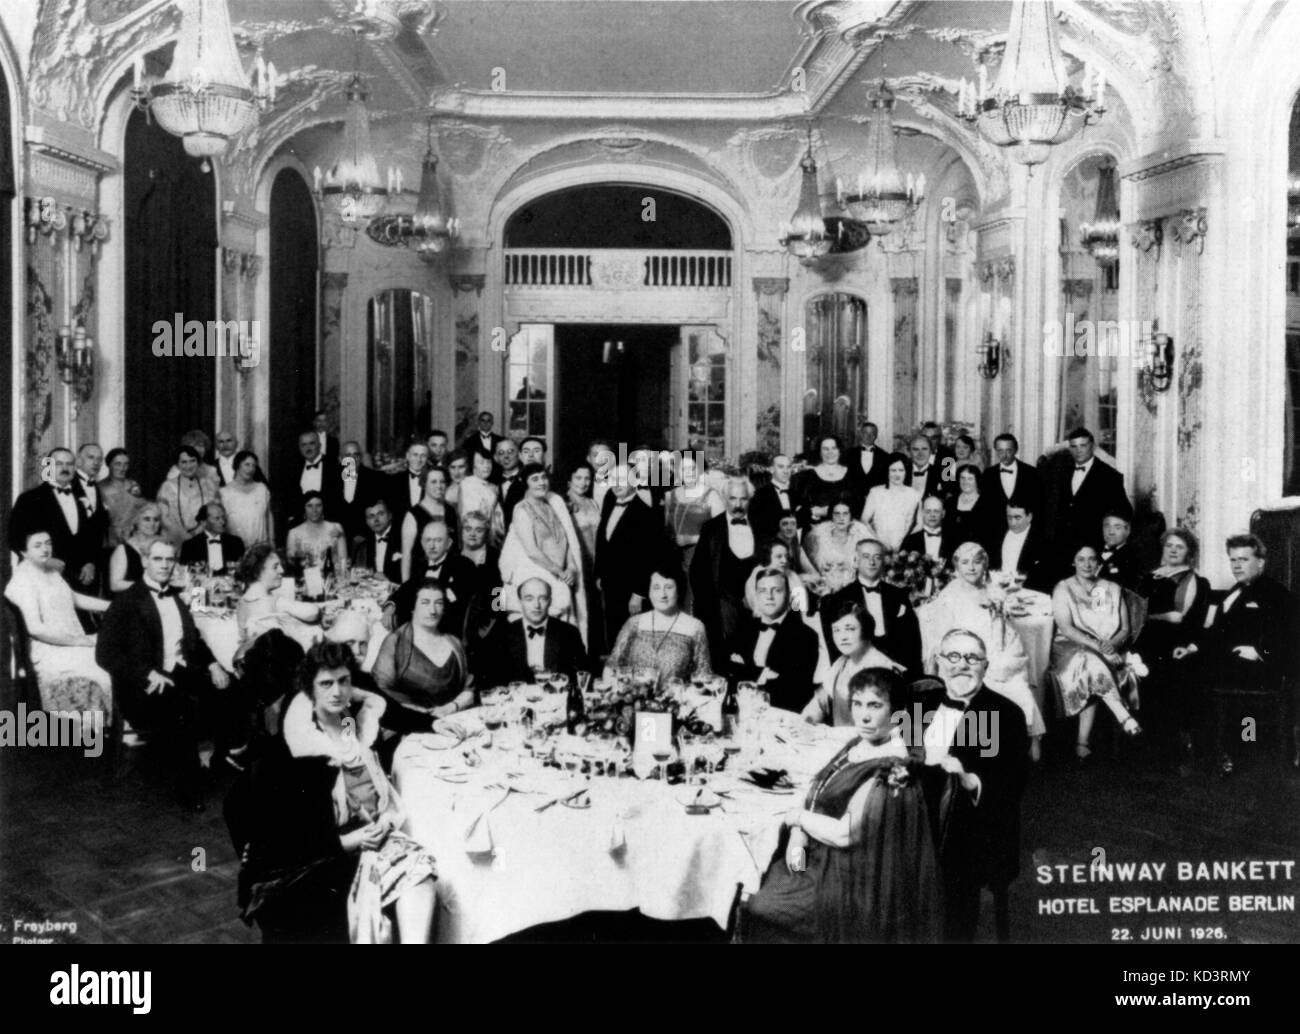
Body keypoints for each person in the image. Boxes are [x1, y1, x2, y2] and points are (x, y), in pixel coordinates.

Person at [234, 641, 437, 944]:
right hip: (314, 861)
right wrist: (346, 841)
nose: (337, 692)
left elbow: (397, 716)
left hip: (363, 840)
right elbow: (278, 837)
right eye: (326, 684)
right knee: (410, 866)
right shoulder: (293, 749)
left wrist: (438, 724)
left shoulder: (351, 724)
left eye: (344, 681)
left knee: (422, 868)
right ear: (310, 690)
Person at [744, 666, 940, 943]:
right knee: (760, 872)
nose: (864, 714)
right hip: (816, 851)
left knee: (759, 905)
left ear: (897, 714)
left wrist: (797, 820)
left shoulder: (891, 764)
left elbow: (848, 832)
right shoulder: (859, 743)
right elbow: (817, 787)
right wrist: (798, 832)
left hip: (854, 873)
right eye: (857, 704)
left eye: (875, 705)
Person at [96, 539, 232, 810]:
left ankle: (218, 766)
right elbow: (105, 654)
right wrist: (146, 673)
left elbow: (195, 640)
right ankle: (188, 789)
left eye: (169, 560)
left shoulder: (177, 598)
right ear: (145, 561)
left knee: (230, 689)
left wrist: (214, 664)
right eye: (157, 559)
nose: (164, 565)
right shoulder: (126, 602)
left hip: (178, 672)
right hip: (141, 686)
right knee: (184, 706)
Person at [916, 630, 1029, 942]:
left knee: (954, 871)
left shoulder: (1007, 714)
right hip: (919, 821)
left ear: (986, 666)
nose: (961, 665)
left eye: (972, 658)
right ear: (938, 662)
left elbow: (1012, 785)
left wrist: (967, 779)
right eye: (952, 656)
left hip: (975, 829)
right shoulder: (921, 705)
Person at [1173, 534, 1296, 775]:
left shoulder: (1276, 594)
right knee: (1184, 668)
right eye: (1232, 560)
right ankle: (1202, 747)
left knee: (1217, 687)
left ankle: (1241, 748)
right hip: (1230, 661)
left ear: (1260, 562)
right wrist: (1193, 647)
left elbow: (1288, 637)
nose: (1236, 565)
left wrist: (1260, 652)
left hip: (1263, 668)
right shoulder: (1235, 591)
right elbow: (1218, 632)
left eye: (1243, 559)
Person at [921, 542, 1046, 754]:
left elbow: (1005, 632)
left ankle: (1023, 751)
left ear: (985, 565)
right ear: (956, 567)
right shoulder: (949, 597)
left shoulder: (994, 592)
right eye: (965, 562)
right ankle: (986, 750)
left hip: (996, 657)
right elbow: (945, 640)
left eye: (977, 562)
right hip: (965, 660)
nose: (971, 568)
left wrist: (1006, 660)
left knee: (1020, 690)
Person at [5, 529, 113, 724]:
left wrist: (113, 606)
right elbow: (36, 629)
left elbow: (74, 598)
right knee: (103, 670)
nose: (45, 549)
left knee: (115, 658)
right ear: (23, 551)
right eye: (37, 545)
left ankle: (117, 731)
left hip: (69, 641)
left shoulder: (48, 570)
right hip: (49, 650)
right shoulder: (23, 580)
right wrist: (79, 641)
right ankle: (96, 735)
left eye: (48, 543)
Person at [1050, 544, 1142, 759]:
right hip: (1068, 647)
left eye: (1092, 559)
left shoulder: (1107, 588)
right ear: (1073, 562)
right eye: (1081, 559)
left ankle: (1082, 742)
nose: (1087, 564)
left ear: (1099, 563)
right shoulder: (1063, 588)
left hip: (1102, 651)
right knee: (1088, 659)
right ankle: (1122, 716)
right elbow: (1066, 628)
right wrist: (1101, 647)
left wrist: (1111, 645)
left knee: (1090, 665)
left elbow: (1123, 629)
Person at [1134, 529, 1209, 771]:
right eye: (1169, 546)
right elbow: (1131, 609)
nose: (1173, 550)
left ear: (1189, 553)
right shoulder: (1146, 577)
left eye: (1180, 547)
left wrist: (1147, 616)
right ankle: (1143, 746)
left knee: (1167, 676)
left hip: (1174, 642)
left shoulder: (1193, 580)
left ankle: (1172, 750)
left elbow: (1181, 617)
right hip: (1143, 640)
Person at [498, 464, 587, 639]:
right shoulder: (521, 509)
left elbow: (565, 540)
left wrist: (571, 567)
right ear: (525, 483)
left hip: (558, 576)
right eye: (535, 479)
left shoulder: (552, 504)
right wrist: (559, 572)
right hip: (535, 576)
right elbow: (532, 551)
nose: (541, 482)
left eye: (544, 477)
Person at [373, 581, 474, 726]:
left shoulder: (454, 643)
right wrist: (423, 718)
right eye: (425, 603)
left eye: (438, 603)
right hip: (411, 726)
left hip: (455, 721)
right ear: (413, 607)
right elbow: (382, 692)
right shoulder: (395, 642)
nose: (433, 610)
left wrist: (450, 708)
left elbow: (469, 689)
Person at [11, 447, 108, 592]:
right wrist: (44, 560)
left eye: (69, 464)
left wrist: (90, 563)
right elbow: (15, 538)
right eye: (59, 464)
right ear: (48, 466)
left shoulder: (82, 498)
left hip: (77, 580)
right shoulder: (30, 498)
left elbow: (91, 536)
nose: (65, 468)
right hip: (42, 577)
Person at [820, 538, 921, 674]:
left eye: (877, 557)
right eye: (866, 557)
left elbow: (913, 640)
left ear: (883, 562)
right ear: (856, 561)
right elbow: (835, 648)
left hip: (896, 669)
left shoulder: (899, 595)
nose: (872, 562)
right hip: (857, 669)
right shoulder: (839, 598)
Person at [729, 567, 819, 713]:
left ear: (789, 595)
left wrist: (745, 672)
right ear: (756, 595)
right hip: (743, 714)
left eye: (776, 590)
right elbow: (726, 671)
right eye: (763, 591)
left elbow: (794, 690)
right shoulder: (743, 630)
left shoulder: (806, 636)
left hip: (784, 719)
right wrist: (763, 674)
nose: (769, 596)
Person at [690, 477, 759, 663]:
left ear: (750, 499)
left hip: (756, 612)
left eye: (743, 499)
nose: (738, 504)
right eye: (733, 498)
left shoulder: (761, 526)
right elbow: (697, 574)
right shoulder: (711, 529)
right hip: (720, 614)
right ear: (724, 498)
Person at [803, 600, 906, 726]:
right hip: (841, 739)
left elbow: (882, 725)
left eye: (850, 629)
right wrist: (805, 723)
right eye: (836, 630)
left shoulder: (883, 668)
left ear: (865, 630)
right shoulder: (841, 664)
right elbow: (818, 705)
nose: (842, 637)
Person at [605, 566, 711, 687]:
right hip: (635, 701)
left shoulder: (694, 627)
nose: (662, 594)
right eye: (656, 587)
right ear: (649, 591)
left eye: (669, 587)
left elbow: (703, 676)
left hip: (676, 702)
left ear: (679, 590)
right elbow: (610, 668)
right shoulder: (634, 623)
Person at [475, 578, 589, 689]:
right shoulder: (502, 634)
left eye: (543, 598)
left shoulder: (568, 633)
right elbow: (490, 680)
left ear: (550, 601)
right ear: (520, 602)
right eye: (529, 599)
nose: (536, 605)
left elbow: (582, 674)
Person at [595, 465, 662, 649]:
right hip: (611, 584)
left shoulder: (646, 514)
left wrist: (638, 594)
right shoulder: (609, 503)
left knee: (633, 639)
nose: (617, 484)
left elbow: (649, 558)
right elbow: (604, 542)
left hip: (631, 589)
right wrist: (600, 573)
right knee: (614, 635)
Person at [1049, 427, 1132, 564]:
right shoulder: (1061, 472)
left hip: (1093, 549)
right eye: (1074, 446)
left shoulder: (1109, 476)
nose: (1078, 450)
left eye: (1083, 445)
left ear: (1092, 446)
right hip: (1062, 548)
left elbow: (1124, 512)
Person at [386, 520, 478, 635]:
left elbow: (455, 606)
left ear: (449, 543)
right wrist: (391, 605)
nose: (432, 546)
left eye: (438, 540)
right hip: (414, 627)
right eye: (428, 540)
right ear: (422, 543)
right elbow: (406, 588)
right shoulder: (420, 564)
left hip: (444, 630)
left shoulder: (463, 565)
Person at [235, 544, 322, 647]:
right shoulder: (276, 602)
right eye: (275, 567)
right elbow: (313, 613)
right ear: (257, 572)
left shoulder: (241, 603)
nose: (282, 570)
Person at [663, 452, 725, 578]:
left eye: (692, 468)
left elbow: (722, 535)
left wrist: (691, 539)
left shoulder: (712, 496)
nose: (689, 472)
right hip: (674, 561)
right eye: (684, 469)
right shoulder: (670, 496)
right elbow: (666, 530)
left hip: (702, 559)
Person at [563, 461, 603, 650]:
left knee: (595, 614)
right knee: (578, 613)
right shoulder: (564, 503)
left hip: (595, 566)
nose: (583, 482)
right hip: (578, 565)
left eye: (588, 478)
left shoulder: (592, 502)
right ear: (569, 480)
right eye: (578, 478)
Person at [399, 467, 459, 582]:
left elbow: (455, 549)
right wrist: (406, 586)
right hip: (421, 576)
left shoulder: (451, 511)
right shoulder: (413, 515)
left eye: (442, 482)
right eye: (433, 482)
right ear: (424, 484)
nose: (439, 486)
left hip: (448, 576)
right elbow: (406, 555)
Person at [803, 497, 872, 594]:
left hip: (854, 589)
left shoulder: (861, 536)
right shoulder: (818, 537)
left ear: (851, 517)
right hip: (826, 590)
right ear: (832, 516)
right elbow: (811, 567)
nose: (841, 518)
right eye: (837, 514)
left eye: (845, 514)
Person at [860, 454, 922, 552]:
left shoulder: (914, 494)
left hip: (904, 549)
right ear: (887, 471)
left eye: (901, 470)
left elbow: (920, 524)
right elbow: (864, 520)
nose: (897, 474)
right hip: (879, 547)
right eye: (893, 470)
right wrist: (879, 542)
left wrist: (906, 541)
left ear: (906, 472)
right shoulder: (876, 492)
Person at [988, 497, 1052, 592]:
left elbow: (1044, 577)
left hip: (1026, 593)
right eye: (1009, 517)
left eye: (1017, 518)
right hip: (997, 589)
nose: (1012, 523)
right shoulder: (998, 535)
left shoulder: (1042, 542)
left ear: (1029, 517)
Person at [793, 435, 856, 530]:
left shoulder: (852, 476)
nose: (830, 452)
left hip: (846, 533)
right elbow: (797, 515)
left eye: (834, 448)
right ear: (820, 452)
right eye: (825, 449)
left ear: (840, 451)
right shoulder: (806, 477)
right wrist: (814, 513)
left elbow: (858, 508)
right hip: (815, 533)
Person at [286, 430, 342, 530]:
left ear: (319, 445)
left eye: (312, 443)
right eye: (304, 445)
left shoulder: (334, 466)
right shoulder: (293, 469)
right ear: (299, 448)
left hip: (330, 525)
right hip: (302, 527)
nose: (308, 448)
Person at [220, 450, 274, 549]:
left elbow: (268, 517)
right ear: (237, 466)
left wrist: (272, 543)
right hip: (235, 549)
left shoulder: (262, 489)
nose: (251, 469)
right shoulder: (224, 492)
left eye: (254, 465)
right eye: (247, 464)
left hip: (260, 549)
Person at [285, 492, 348, 577]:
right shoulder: (294, 533)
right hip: (306, 580)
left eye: (318, 505)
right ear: (304, 508)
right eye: (309, 506)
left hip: (333, 577)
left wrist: (341, 537)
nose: (314, 510)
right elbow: (291, 564)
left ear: (323, 507)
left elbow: (343, 560)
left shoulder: (336, 527)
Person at [743, 539, 812, 616]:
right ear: (768, 557)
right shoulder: (756, 577)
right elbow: (759, 611)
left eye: (786, 556)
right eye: (779, 557)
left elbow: (800, 608)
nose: (784, 560)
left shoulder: (792, 576)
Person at [107, 502, 165, 594]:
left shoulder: (163, 546)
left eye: (156, 519)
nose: (152, 524)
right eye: (147, 519)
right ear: (136, 521)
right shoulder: (123, 550)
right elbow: (115, 585)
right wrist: (148, 585)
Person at [980, 433, 1043, 516]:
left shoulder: (1031, 472)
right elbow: (985, 505)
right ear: (995, 450)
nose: (1004, 455)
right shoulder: (988, 474)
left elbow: (1038, 505)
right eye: (1000, 451)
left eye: (1008, 450)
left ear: (1016, 450)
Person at [338, 441, 386, 543]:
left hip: (367, 539)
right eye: (348, 455)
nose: (353, 459)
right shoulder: (331, 480)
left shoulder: (377, 479)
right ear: (341, 459)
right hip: (338, 539)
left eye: (356, 454)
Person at [179, 503, 245, 576]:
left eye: (223, 518)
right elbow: (184, 575)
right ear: (203, 522)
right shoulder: (189, 546)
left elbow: (243, 573)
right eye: (217, 518)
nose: (223, 522)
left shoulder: (236, 543)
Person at [97, 448, 144, 549]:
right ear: (109, 465)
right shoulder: (100, 487)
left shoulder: (133, 485)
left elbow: (140, 508)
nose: (122, 468)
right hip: (110, 540)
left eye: (126, 464)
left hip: (133, 538)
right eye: (118, 464)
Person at [351, 498, 404, 585]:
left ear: (390, 515)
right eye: (371, 516)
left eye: (381, 514)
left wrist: (389, 578)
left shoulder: (403, 539)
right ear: (367, 522)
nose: (376, 519)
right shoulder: (364, 543)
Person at [456, 449, 501, 545]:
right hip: (473, 535)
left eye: (489, 462)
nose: (486, 466)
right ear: (473, 465)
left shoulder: (494, 488)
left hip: (490, 537)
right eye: (481, 463)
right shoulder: (467, 484)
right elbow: (467, 516)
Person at [749, 454, 797, 540]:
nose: (786, 471)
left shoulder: (797, 492)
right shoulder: (759, 495)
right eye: (781, 467)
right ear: (771, 469)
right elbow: (758, 529)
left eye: (788, 467)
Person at [901, 495, 956, 564]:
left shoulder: (953, 540)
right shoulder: (910, 540)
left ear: (943, 513)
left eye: (936, 511)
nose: (932, 515)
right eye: (928, 511)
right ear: (922, 513)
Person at [1098, 511, 1144, 591]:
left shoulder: (1132, 558)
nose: (1111, 532)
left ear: (1128, 530)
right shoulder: (1094, 553)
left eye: (1117, 527)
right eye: (1107, 526)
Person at [844, 420, 890, 500]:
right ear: (861, 434)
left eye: (872, 433)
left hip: (877, 500)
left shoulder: (885, 456)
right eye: (866, 433)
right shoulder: (848, 454)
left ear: (876, 436)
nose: (868, 436)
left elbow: (886, 481)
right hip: (853, 500)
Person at [387, 442, 431, 523]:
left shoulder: (432, 480)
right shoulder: (394, 480)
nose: (419, 459)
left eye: (423, 456)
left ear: (427, 458)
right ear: (407, 456)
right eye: (415, 455)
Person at [946, 464, 988, 548]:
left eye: (970, 479)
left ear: (977, 480)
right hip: (952, 552)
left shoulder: (986, 504)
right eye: (962, 478)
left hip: (977, 554)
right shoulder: (949, 503)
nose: (965, 482)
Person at [493, 439, 525, 526]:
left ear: (519, 454)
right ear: (496, 458)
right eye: (501, 453)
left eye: (510, 452)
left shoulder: (527, 480)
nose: (506, 456)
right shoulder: (493, 482)